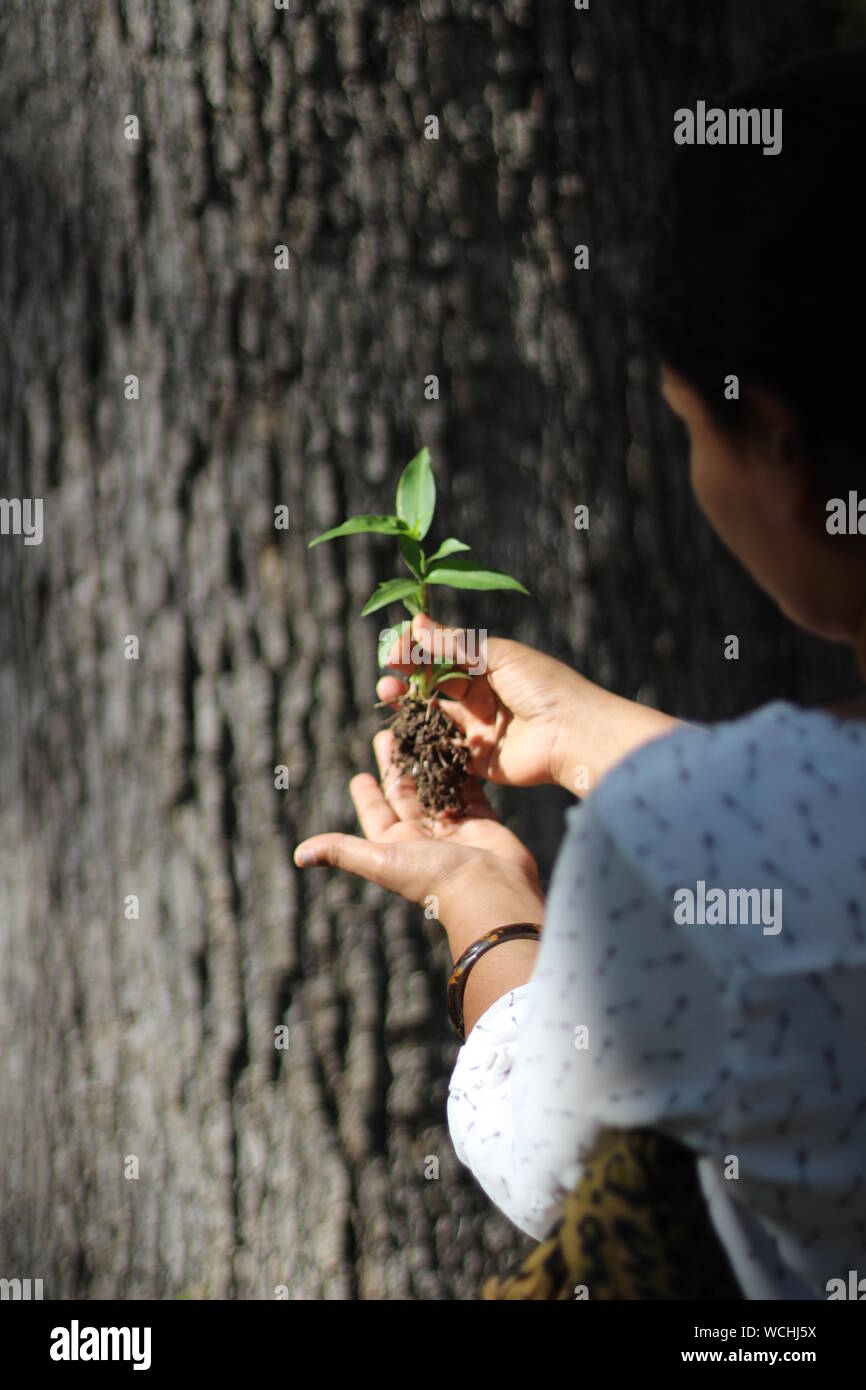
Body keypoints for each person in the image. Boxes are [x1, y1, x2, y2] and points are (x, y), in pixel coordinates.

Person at [294, 48, 866, 1299]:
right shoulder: (747, 818)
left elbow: (550, 1146)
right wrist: (608, 737)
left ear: (771, 433)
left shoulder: (697, 839)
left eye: (686, 423)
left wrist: (482, 900)